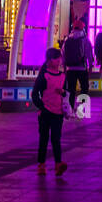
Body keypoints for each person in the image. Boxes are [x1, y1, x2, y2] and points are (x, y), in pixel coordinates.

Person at [31, 47, 69, 176]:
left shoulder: (63, 76)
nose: (58, 61)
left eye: (60, 58)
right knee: (44, 139)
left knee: (56, 139)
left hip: (58, 112)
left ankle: (58, 164)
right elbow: (35, 94)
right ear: (49, 60)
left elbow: (68, 93)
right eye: (55, 58)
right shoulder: (44, 75)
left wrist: (63, 93)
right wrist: (42, 107)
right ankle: (41, 164)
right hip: (46, 112)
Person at [60, 17, 92, 117]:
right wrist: (90, 65)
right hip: (82, 68)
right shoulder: (85, 39)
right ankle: (81, 110)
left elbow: (63, 54)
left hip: (70, 69)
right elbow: (89, 54)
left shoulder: (67, 39)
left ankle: (70, 110)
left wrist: (64, 66)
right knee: (84, 88)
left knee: (71, 90)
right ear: (83, 28)